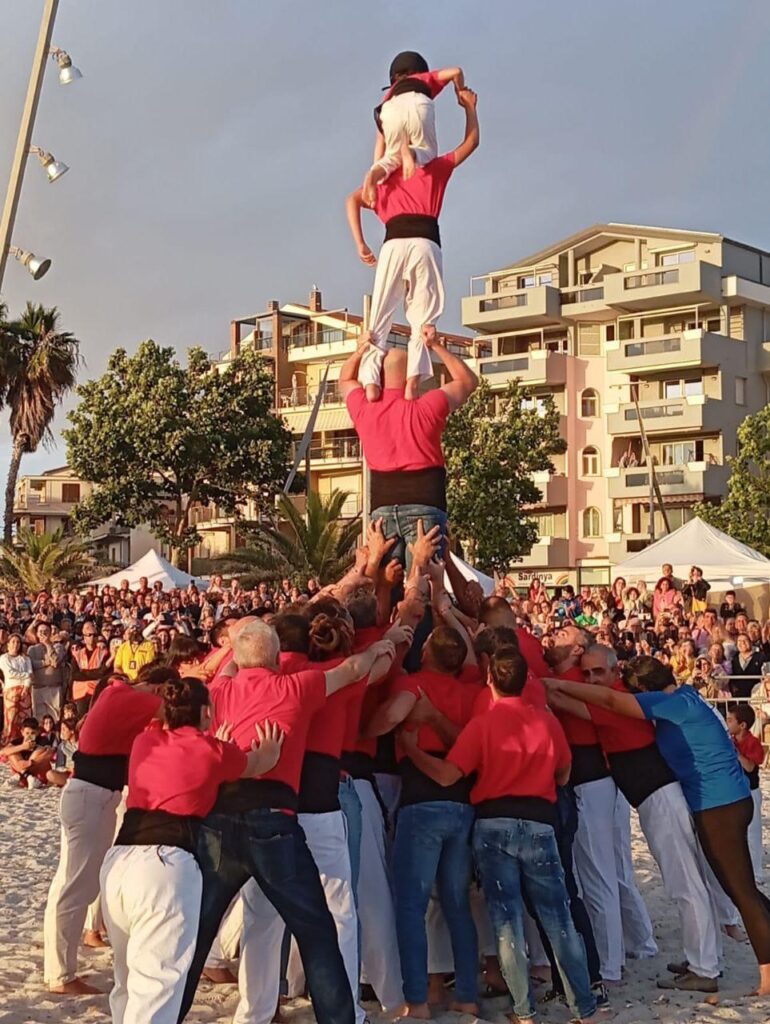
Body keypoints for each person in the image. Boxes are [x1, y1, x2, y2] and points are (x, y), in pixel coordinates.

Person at [176, 618, 400, 1024]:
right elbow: (351, 670)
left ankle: (169, 1013)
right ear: (277, 658)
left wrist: (235, 644)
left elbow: (226, 667)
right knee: (317, 931)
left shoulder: (221, 689)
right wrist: (378, 649)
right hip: (273, 820)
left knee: (200, 928)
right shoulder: (293, 687)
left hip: (222, 818)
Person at [547, 656, 770, 996]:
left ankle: (711, 967)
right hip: (702, 798)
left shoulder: (652, 703)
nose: (592, 679)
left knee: (702, 886)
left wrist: (554, 683)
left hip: (690, 801)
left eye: (598, 672)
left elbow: (598, 701)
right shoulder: (677, 698)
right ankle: (706, 959)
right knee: (711, 884)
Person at [399, 646, 599, 1023]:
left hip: (493, 824)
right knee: (559, 919)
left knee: (505, 921)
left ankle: (524, 1011)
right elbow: (564, 773)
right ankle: (584, 1007)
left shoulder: (483, 724)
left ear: (490, 679)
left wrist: (412, 751)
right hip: (539, 820)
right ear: (526, 681)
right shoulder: (546, 720)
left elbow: (447, 775)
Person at [99, 677, 284, 1024]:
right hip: (166, 865)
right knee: (157, 986)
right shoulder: (212, 750)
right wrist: (271, 749)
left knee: (126, 983)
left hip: (120, 860)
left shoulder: (144, 741)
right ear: (206, 712)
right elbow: (259, 763)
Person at [364, 624, 480, 1019]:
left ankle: (416, 999)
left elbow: (386, 719)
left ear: (427, 652)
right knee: (457, 904)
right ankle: (466, 993)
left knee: (411, 905)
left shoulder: (414, 685)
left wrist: (372, 727)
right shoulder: (471, 692)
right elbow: (470, 741)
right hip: (462, 801)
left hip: (421, 798)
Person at [43, 667, 170, 994]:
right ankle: (60, 976)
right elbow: (177, 710)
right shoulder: (130, 697)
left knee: (69, 885)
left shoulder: (118, 694)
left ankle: (59, 970)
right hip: (92, 797)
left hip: (88, 795)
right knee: (76, 888)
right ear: (157, 687)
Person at [345, 87, 479, 400]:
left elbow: (353, 198)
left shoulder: (383, 186)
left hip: (393, 242)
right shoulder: (434, 169)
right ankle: (412, 383)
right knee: (422, 315)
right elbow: (471, 143)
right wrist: (469, 107)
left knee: (380, 314)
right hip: (426, 241)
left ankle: (370, 382)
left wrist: (361, 243)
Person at [339, 332, 476, 567]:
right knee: (426, 584)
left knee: (385, 588)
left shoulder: (364, 409)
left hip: (382, 506)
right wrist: (435, 346)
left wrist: (360, 351)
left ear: (379, 376)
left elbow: (344, 380)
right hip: (425, 502)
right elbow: (467, 381)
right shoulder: (428, 406)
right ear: (411, 377)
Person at [362, 51, 465, 202]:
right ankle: (410, 152)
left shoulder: (389, 96)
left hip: (391, 112)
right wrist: (459, 92)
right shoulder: (424, 79)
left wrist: (377, 168)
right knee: (427, 151)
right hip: (419, 104)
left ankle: (372, 176)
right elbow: (456, 71)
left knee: (391, 157)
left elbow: (380, 139)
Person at [727, 704, 765, 884]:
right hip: (736, 790)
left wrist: (735, 753)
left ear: (742, 725)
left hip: (751, 791)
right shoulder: (731, 740)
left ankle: (756, 871)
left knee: (753, 831)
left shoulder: (752, 742)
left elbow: (750, 765)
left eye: (730, 720)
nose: (727, 723)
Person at [27, 621, 67, 719]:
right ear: (36, 633)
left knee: (55, 718)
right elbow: (31, 665)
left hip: (54, 688)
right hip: (38, 689)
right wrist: (45, 663)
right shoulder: (32, 649)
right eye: (40, 631)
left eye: (46, 631)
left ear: (50, 633)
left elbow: (55, 661)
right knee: (38, 718)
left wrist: (48, 644)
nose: (43, 633)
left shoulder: (58, 647)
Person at [70, 624, 110, 717]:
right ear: (84, 637)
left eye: (94, 635)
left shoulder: (103, 653)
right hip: (81, 693)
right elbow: (75, 675)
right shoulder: (78, 654)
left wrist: (84, 672)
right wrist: (96, 673)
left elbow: (103, 673)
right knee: (82, 721)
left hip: (96, 692)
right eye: (89, 635)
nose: (92, 637)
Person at [0, 633, 33, 741]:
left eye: (18, 642)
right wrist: (25, 675)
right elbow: (10, 673)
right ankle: (9, 741)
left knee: (25, 719)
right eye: (13, 642)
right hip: (11, 690)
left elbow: (30, 673)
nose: (15, 644)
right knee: (11, 719)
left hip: (25, 691)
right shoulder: (3, 658)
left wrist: (26, 687)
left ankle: (27, 742)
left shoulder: (25, 658)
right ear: (8, 644)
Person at [730, 633, 767, 698]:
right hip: (739, 697)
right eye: (740, 641)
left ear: (750, 643)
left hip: (756, 696)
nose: (743, 643)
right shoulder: (734, 660)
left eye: (745, 640)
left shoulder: (760, 657)